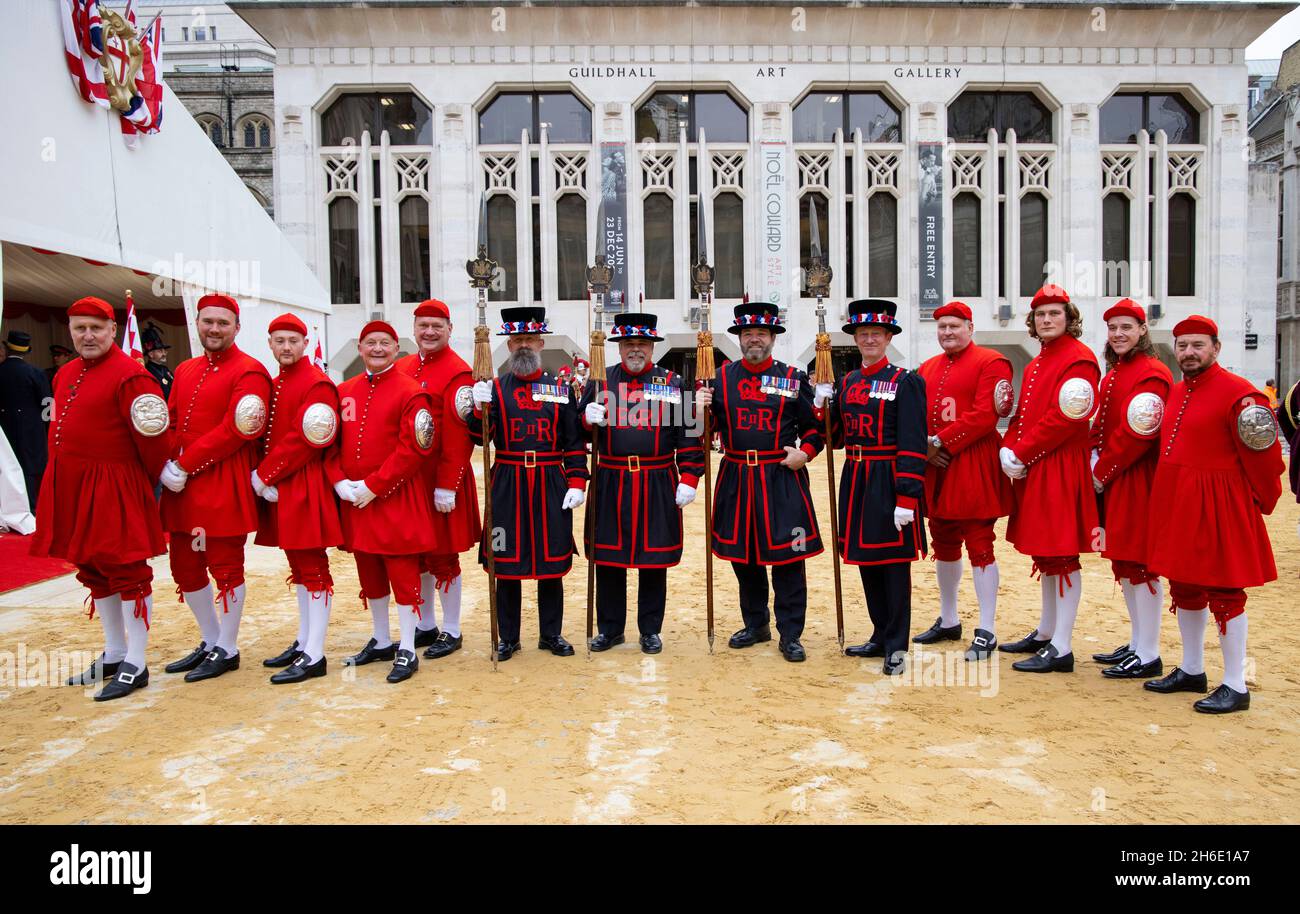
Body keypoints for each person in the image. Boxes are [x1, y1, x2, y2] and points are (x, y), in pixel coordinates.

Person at [31, 297, 171, 701]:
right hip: (73, 485)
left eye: (96, 328)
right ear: (70, 331)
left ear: (113, 330)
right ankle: (114, 651)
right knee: (92, 568)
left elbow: (153, 438)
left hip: (114, 487)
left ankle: (137, 661)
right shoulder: (66, 372)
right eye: (80, 329)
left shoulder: (132, 376)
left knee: (127, 571)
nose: (87, 336)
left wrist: (134, 486)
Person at [1143, 315, 1284, 713]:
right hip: (1178, 503)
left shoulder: (1241, 394)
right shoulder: (1175, 391)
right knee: (1184, 587)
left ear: (1216, 348)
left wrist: (1256, 501)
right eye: (1183, 346)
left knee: (1225, 593)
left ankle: (1236, 683)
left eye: (1198, 345)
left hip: (1220, 504)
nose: (1189, 353)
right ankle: (1191, 669)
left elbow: (1265, 456)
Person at [693, 301, 824, 662]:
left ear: (772, 339)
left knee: (788, 560)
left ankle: (791, 632)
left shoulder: (793, 378)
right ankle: (756, 624)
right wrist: (698, 409)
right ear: (739, 338)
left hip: (781, 477)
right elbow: (702, 433)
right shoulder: (720, 378)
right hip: (736, 477)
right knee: (744, 558)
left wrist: (806, 453)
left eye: (760, 334)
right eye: (747, 334)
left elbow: (816, 429)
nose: (754, 340)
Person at [159, 294, 273, 683]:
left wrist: (185, 463)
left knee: (224, 566)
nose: (214, 329)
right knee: (186, 566)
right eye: (207, 321)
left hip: (221, 481)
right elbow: (172, 420)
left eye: (222, 323)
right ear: (197, 323)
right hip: (181, 485)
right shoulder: (187, 368)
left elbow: (241, 428)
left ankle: (228, 646)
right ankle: (210, 640)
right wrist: (165, 461)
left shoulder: (250, 371)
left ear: (236, 328)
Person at [579, 312, 705, 654]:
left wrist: (690, 476)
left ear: (652, 348)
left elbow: (689, 434)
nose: (636, 350)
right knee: (608, 560)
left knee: (653, 561)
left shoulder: (673, 383)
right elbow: (574, 433)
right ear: (619, 348)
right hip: (611, 480)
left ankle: (650, 629)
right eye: (629, 344)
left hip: (657, 481)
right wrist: (583, 418)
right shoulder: (599, 382)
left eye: (643, 344)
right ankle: (610, 629)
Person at [468, 306, 589, 660]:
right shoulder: (494, 389)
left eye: (529, 339)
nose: (523, 345)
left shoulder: (560, 389)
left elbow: (573, 441)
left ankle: (551, 634)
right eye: (516, 339)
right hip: (506, 482)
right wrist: (478, 410)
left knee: (552, 561)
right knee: (505, 563)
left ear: (540, 343)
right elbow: (479, 438)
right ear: (508, 346)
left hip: (551, 481)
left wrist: (577, 481)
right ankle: (508, 637)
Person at [998, 285, 1100, 673]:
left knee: (1061, 553)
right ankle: (1046, 630)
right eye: (1040, 315)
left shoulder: (1080, 359)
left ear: (1069, 318)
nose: (1046, 320)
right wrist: (1009, 445)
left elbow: (1066, 418)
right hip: (1038, 463)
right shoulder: (1042, 358)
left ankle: (1062, 645)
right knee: (1046, 552)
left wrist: (1022, 451)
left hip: (1058, 463)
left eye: (1054, 314)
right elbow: (1024, 412)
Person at [329, 321, 438, 683]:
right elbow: (327, 443)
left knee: (402, 571)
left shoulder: (412, 392)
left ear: (396, 348)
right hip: (356, 499)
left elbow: (415, 448)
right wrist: (339, 481)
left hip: (393, 496)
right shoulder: (344, 390)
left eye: (385, 343)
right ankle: (380, 638)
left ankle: (407, 646)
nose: (377, 348)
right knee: (369, 569)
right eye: (370, 343)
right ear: (360, 348)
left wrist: (375, 485)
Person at [824, 301, 927, 674]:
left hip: (889, 478)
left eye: (876, 334)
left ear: (887, 338)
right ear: (856, 339)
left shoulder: (906, 381)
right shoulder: (848, 382)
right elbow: (835, 438)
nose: (869, 339)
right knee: (867, 561)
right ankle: (880, 634)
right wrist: (823, 406)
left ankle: (897, 646)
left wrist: (907, 497)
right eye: (862, 334)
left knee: (894, 566)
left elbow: (913, 442)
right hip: (856, 479)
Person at [915, 300, 1014, 659]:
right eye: (942, 327)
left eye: (954, 326)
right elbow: (913, 414)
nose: (947, 332)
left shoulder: (992, 362)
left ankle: (986, 627)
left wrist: (940, 441)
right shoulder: (926, 367)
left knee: (979, 542)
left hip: (971, 460)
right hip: (935, 463)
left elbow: (985, 414)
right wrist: (925, 447)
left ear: (970, 328)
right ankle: (948, 617)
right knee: (942, 540)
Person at [253, 313, 344, 684]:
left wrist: (265, 473)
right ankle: (304, 640)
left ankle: (315, 653)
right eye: (279, 341)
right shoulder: (277, 382)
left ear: (305, 344)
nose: (286, 347)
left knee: (313, 566)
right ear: (270, 344)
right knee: (298, 567)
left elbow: (308, 438)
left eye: (293, 340)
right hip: (282, 484)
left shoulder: (316, 383)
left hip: (304, 482)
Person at [1089, 300, 1172, 679]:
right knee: (1123, 561)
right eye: (1112, 328)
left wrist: (1101, 470)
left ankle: (1150, 650)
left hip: (1137, 477)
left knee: (1140, 564)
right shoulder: (1115, 373)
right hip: (1116, 476)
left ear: (1142, 330)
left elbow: (1140, 434)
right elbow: (1101, 423)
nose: (1118, 334)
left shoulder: (1151, 373)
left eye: (1126, 327)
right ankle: (1138, 641)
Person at [396, 299, 482, 660]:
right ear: (414, 329)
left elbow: (460, 435)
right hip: (408, 480)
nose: (429, 332)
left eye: (437, 326)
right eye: (423, 326)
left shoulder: (458, 372)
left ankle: (452, 628)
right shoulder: (401, 366)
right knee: (417, 554)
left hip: (443, 480)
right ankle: (425, 622)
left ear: (450, 330)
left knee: (443, 558)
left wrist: (448, 483)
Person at [0, 329, 52, 512]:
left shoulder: (1, 371)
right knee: (30, 469)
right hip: (32, 429)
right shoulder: (35, 373)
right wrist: (48, 427)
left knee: (7, 468)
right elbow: (47, 404)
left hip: (4, 427)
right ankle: (31, 508)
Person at [143, 336, 174, 401]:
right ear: (151, 354)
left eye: (164, 351)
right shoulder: (146, 371)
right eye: (160, 351)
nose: (164, 354)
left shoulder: (166, 369)